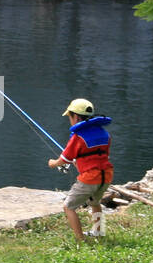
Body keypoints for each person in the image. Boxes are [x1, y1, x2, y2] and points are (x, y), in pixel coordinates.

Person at [48, 98, 113, 242]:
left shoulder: (77, 137)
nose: (69, 120)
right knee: (95, 202)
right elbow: (100, 155)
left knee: (68, 206)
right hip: (106, 176)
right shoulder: (104, 134)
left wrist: (53, 163)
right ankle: (98, 232)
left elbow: (64, 159)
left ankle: (80, 239)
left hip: (90, 178)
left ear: (76, 117)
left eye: (69, 117)